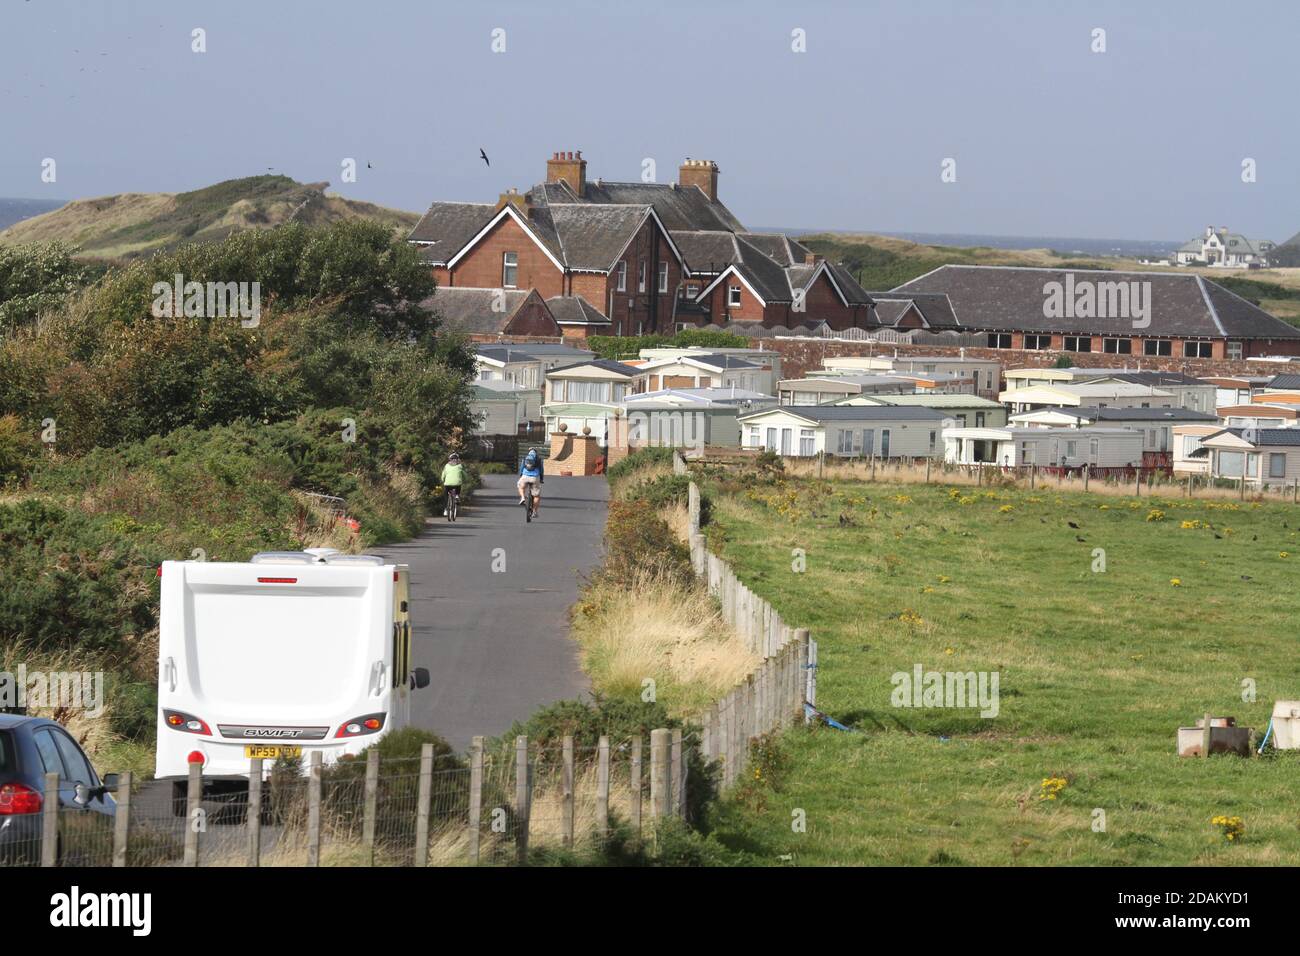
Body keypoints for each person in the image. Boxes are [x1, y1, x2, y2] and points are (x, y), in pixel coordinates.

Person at [517, 448, 544, 513]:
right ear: (536, 453)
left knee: (520, 487)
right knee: (536, 496)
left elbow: (521, 468)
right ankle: (535, 511)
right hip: (534, 477)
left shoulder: (525, 458)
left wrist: (520, 476)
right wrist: (541, 479)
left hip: (525, 476)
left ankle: (523, 497)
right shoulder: (539, 459)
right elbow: (541, 470)